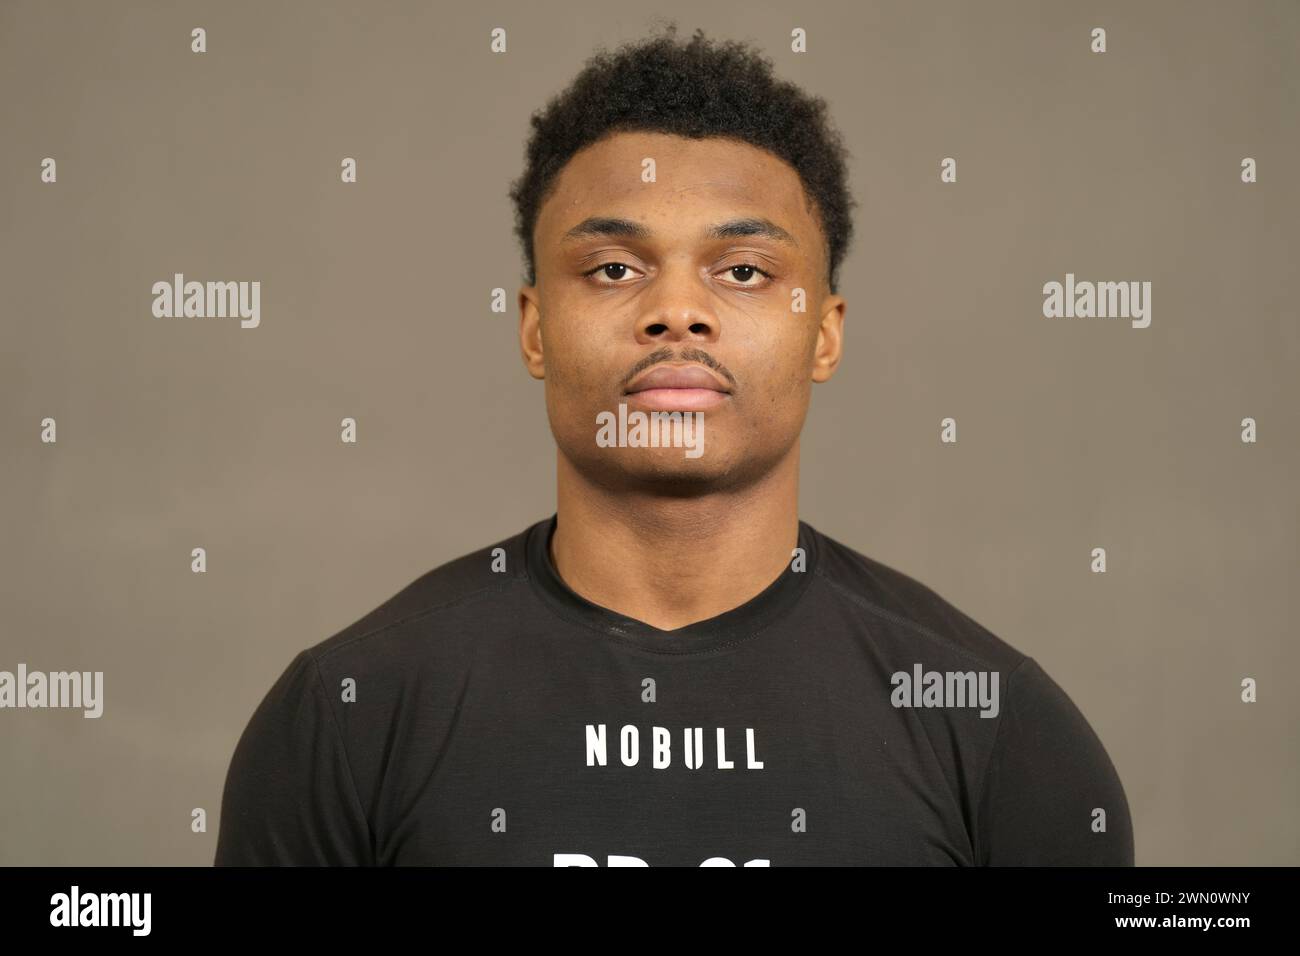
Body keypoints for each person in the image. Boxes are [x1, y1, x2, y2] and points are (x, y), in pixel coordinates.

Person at [214, 23, 1133, 867]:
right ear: (534, 329)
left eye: (744, 271)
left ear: (824, 335)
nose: (677, 311)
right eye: (615, 268)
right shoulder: (350, 712)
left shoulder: (993, 722)